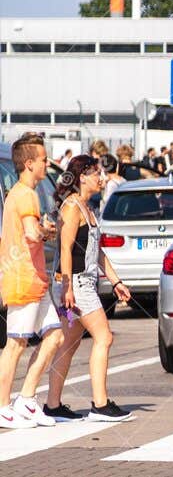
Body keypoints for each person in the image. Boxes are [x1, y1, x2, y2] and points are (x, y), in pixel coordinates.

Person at [42, 156, 133, 422]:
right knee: (104, 337)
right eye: (96, 174)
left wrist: (116, 281)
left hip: (81, 283)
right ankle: (100, 405)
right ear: (82, 177)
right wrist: (67, 288)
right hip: (76, 285)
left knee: (69, 343)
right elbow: (66, 249)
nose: (101, 178)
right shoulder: (72, 207)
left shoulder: (87, 207)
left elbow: (97, 251)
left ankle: (53, 405)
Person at [0, 134, 66, 429]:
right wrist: (45, 231)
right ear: (29, 163)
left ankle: (26, 399)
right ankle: (2, 406)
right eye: (43, 159)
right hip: (23, 277)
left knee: (55, 336)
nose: (47, 164)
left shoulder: (20, 193)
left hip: (33, 278)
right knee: (16, 343)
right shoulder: (26, 194)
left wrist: (41, 230)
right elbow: (30, 232)